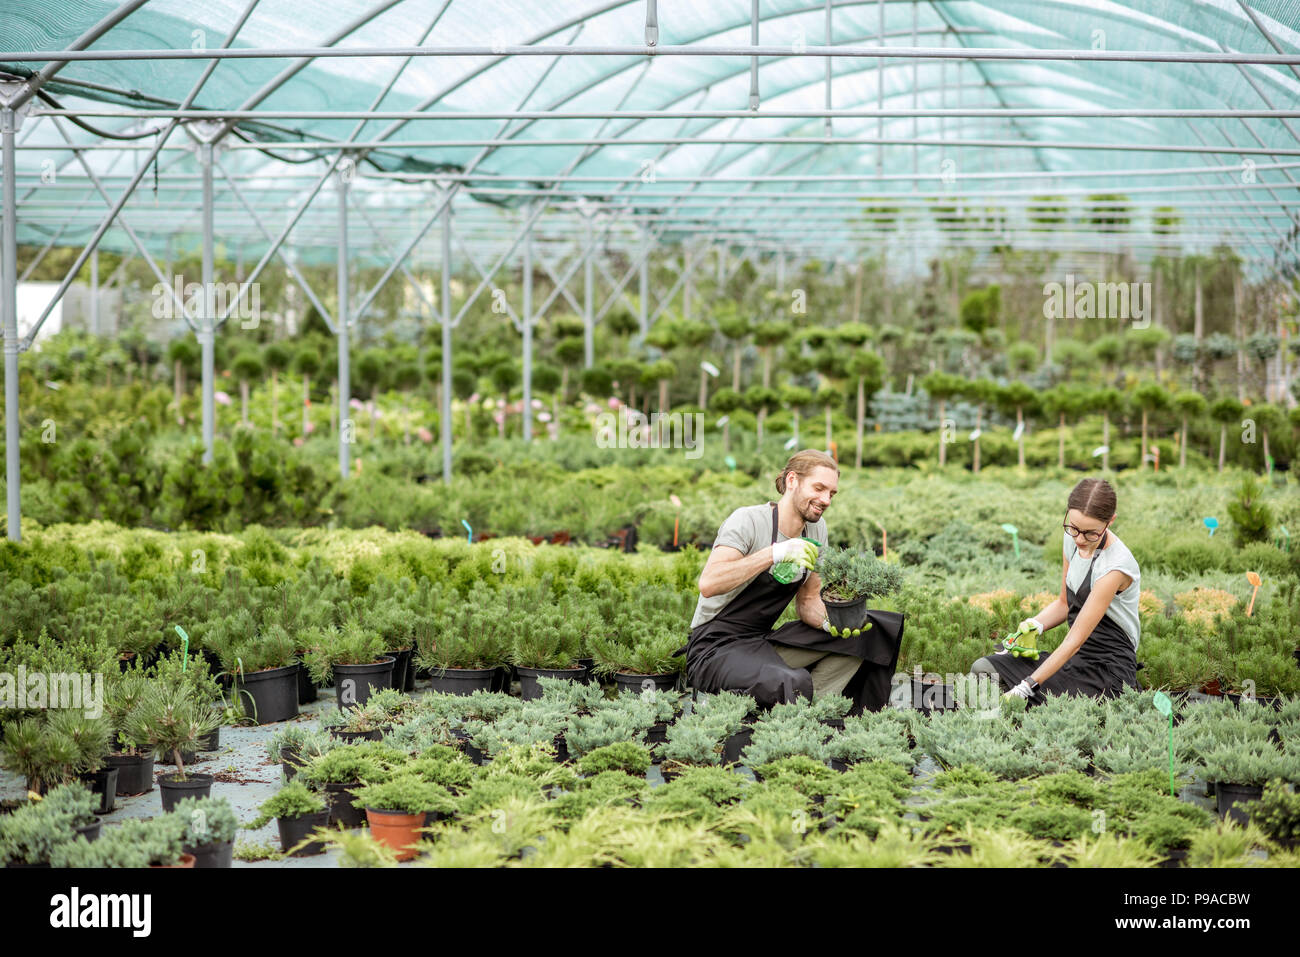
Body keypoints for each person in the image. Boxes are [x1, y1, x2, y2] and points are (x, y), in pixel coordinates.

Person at [681, 450, 904, 713]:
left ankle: (814, 714)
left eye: (831, 493)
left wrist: (830, 624)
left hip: (760, 640)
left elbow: (809, 601)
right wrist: (775, 553)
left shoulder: (817, 530)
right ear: (791, 481)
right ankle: (783, 718)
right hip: (715, 647)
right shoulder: (749, 521)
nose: (825, 500)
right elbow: (709, 583)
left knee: (872, 632)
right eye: (819, 488)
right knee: (791, 681)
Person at [972, 477, 1141, 703]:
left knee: (1030, 701)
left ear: (1110, 521)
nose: (1079, 539)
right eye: (1074, 527)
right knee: (983, 668)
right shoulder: (1072, 539)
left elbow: (1074, 641)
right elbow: (1064, 604)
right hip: (1075, 660)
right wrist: (1035, 625)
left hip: (1106, 672)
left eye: (1091, 533)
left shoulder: (1115, 567)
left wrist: (1027, 686)